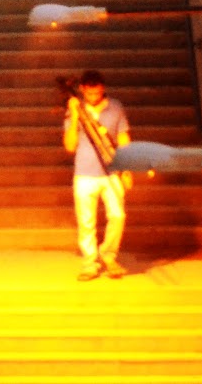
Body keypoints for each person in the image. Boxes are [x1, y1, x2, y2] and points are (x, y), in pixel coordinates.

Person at [62, 70, 131, 281]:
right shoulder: (76, 110)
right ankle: (89, 263)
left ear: (103, 89)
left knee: (118, 215)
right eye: (89, 94)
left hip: (111, 171)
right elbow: (70, 145)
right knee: (86, 222)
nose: (93, 98)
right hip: (84, 172)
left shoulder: (115, 108)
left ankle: (108, 255)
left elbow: (123, 137)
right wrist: (74, 118)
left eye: (97, 93)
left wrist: (127, 168)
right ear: (82, 90)